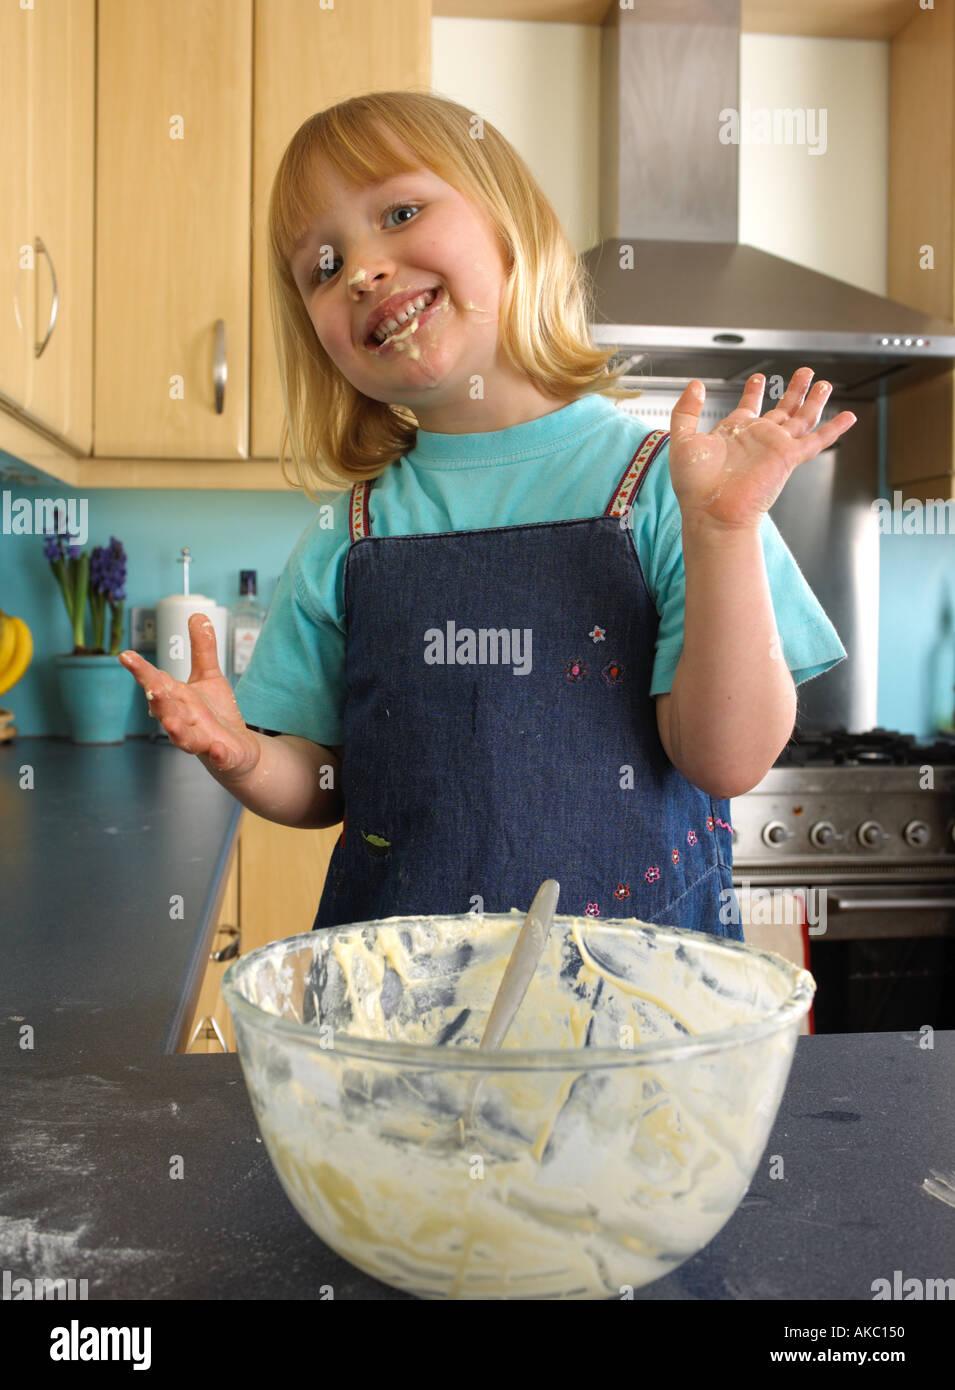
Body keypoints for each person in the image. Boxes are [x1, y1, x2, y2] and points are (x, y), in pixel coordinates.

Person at [119, 91, 852, 941]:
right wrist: (246, 759)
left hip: (640, 1019)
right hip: (403, 1018)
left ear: (511, 228)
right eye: (322, 266)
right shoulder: (345, 533)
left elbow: (726, 760)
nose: (360, 270)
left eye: (399, 211)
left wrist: (722, 535)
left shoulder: (681, 491)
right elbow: (322, 785)